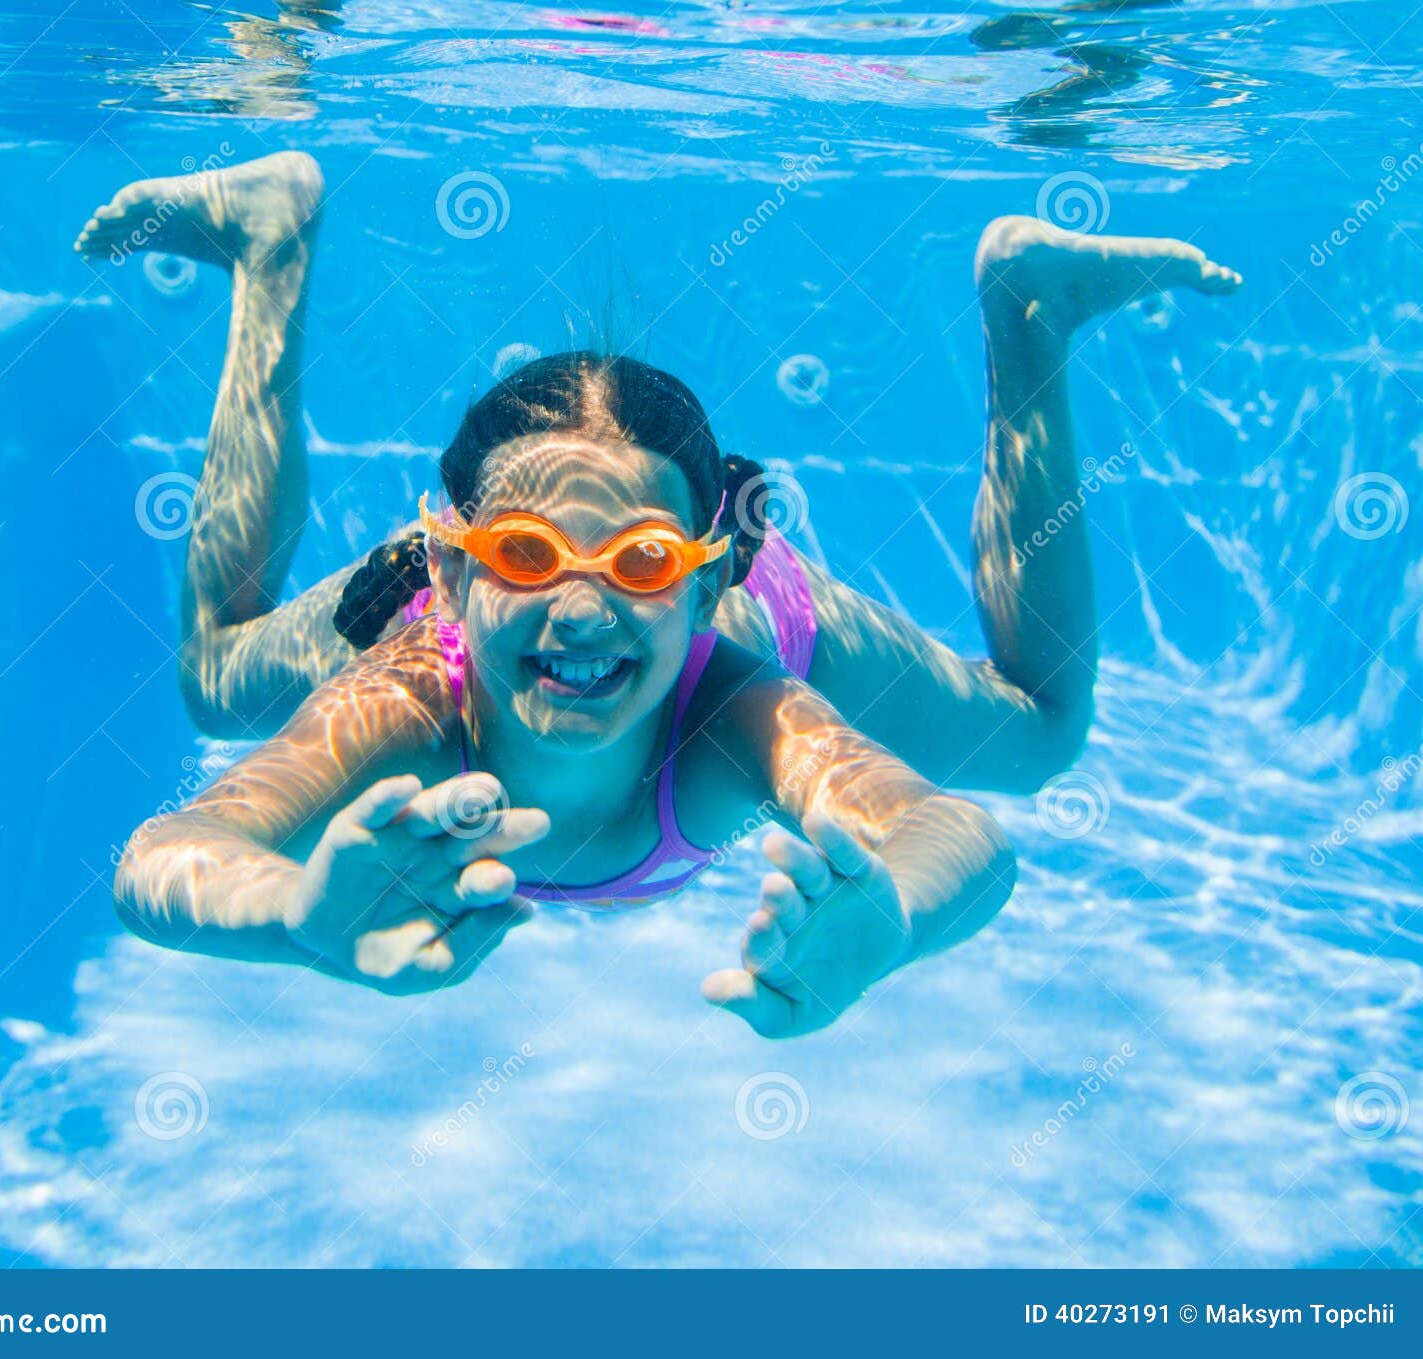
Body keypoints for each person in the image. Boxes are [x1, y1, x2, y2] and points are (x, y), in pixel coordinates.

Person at [82, 151, 1241, 1037]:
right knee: (212, 678)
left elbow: (960, 833)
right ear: (450, 569)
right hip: (485, 599)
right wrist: (288, 915)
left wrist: (893, 920)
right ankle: (269, 245)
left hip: (751, 604)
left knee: (1039, 738)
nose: (581, 612)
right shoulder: (406, 701)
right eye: (533, 558)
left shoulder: (737, 711)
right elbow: (162, 856)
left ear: (703, 578)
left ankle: (1027, 314)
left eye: (637, 565)